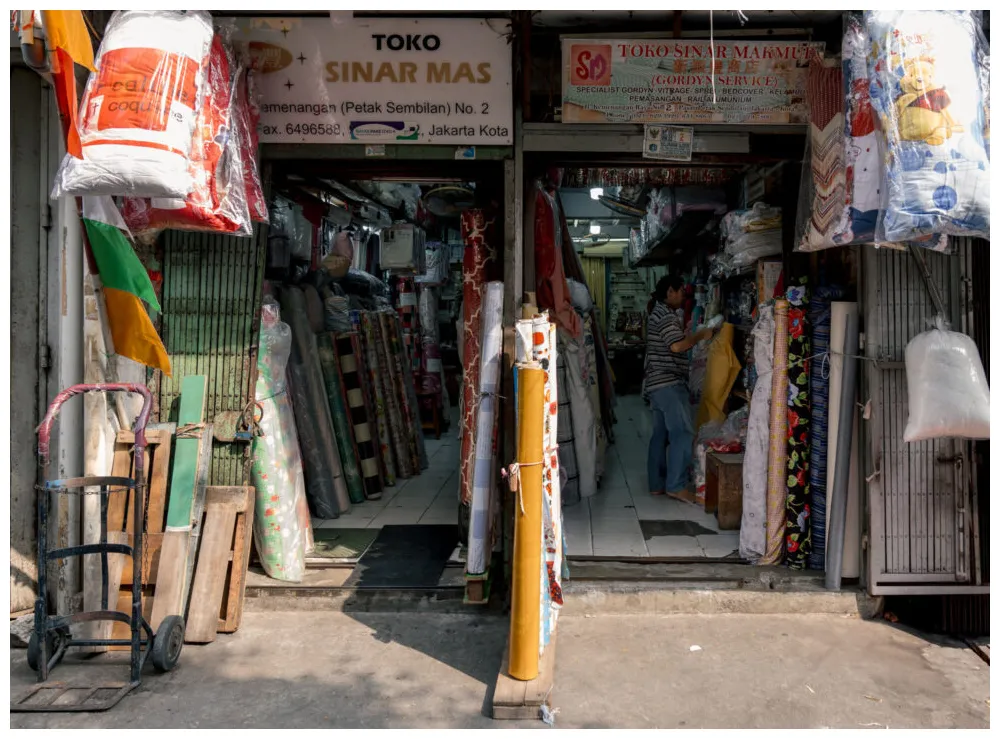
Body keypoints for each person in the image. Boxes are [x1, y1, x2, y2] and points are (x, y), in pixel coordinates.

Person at [643, 275, 715, 502]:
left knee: (660, 435)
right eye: (680, 290)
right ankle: (676, 485)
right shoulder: (665, 315)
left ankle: (657, 484)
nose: (683, 295)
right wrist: (701, 334)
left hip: (657, 384)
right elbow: (677, 346)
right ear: (670, 292)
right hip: (668, 384)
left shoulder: (658, 312)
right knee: (682, 433)